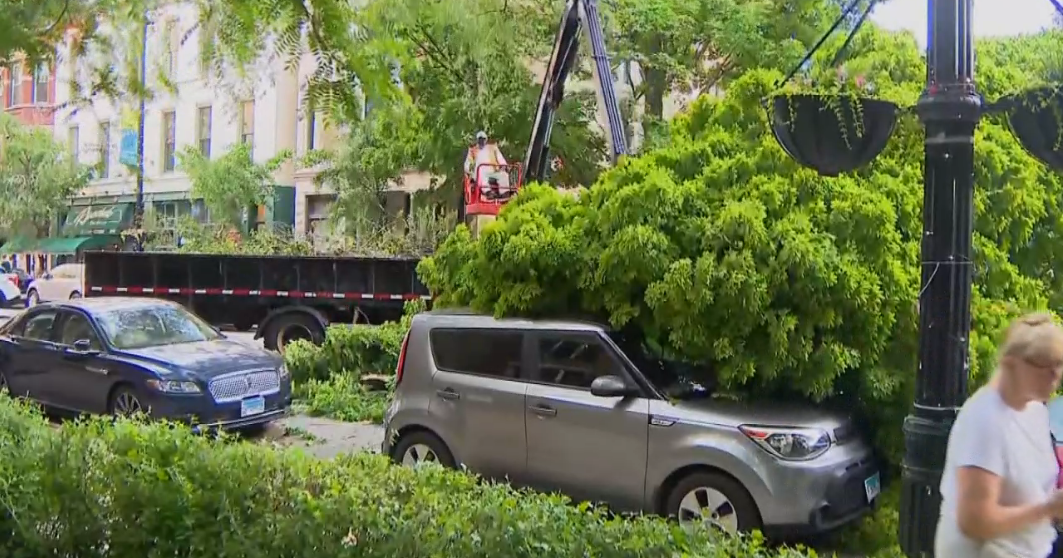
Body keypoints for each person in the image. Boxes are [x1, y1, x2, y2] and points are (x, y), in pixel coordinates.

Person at [936, 312, 1063, 557]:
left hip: (1033, 546)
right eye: (1046, 367)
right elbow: (974, 521)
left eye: (1059, 366)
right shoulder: (984, 420)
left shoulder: (1035, 409)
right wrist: (1047, 509)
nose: (1055, 376)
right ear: (1013, 363)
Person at [464, 131, 510, 198]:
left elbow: (500, 159)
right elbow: (467, 164)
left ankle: (504, 194)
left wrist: (503, 165)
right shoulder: (472, 151)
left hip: (493, 172)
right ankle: (488, 193)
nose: (482, 141)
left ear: (486, 139)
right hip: (480, 173)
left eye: (483, 139)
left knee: (504, 175)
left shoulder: (492, 148)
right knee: (481, 175)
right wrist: (469, 171)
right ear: (477, 140)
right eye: (480, 139)